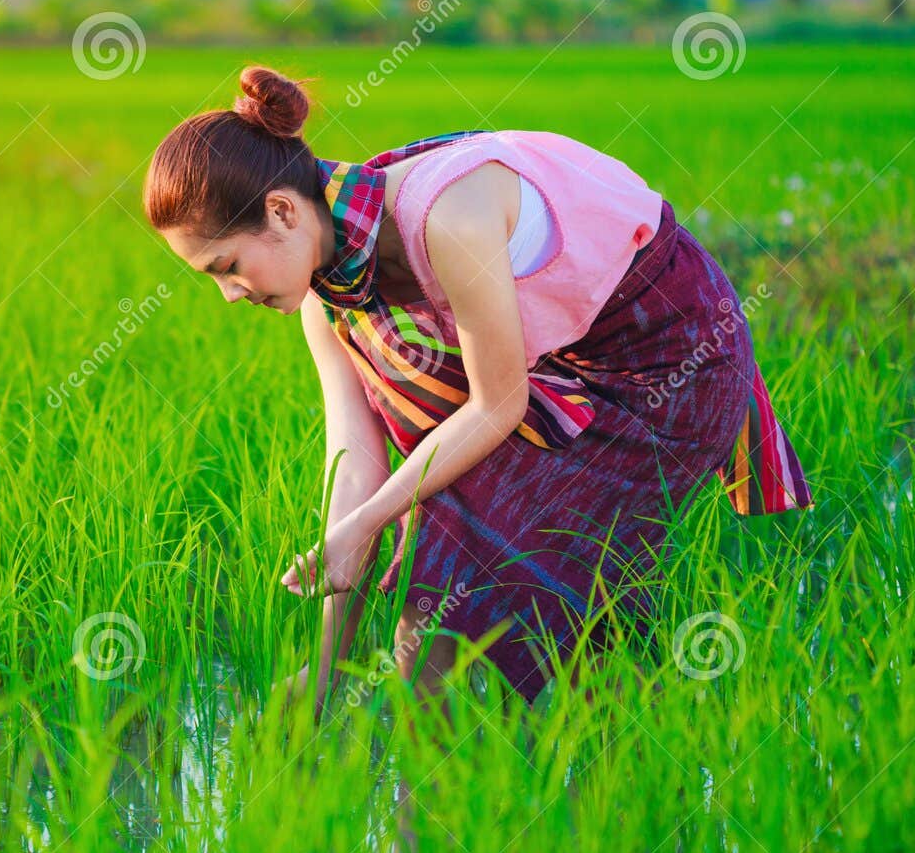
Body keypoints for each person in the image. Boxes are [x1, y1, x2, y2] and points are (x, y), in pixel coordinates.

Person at [143, 65, 813, 714]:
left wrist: (377, 519)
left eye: (226, 266)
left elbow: (498, 405)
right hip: (567, 373)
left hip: (672, 363)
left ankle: (450, 807)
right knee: (446, 566)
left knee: (442, 572)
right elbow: (354, 470)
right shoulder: (332, 299)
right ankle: (525, 784)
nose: (230, 294)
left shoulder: (445, 215)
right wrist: (323, 666)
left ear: (283, 211)